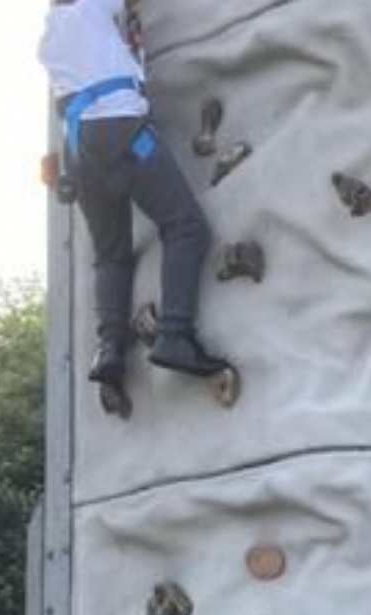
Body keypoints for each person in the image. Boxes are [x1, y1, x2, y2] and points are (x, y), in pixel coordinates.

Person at [38, 0, 230, 386]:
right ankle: (175, 335)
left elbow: (99, 62)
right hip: (122, 132)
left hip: (79, 150)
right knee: (186, 228)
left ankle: (109, 348)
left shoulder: (52, 34)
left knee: (111, 254)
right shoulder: (93, 6)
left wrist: (129, 46)